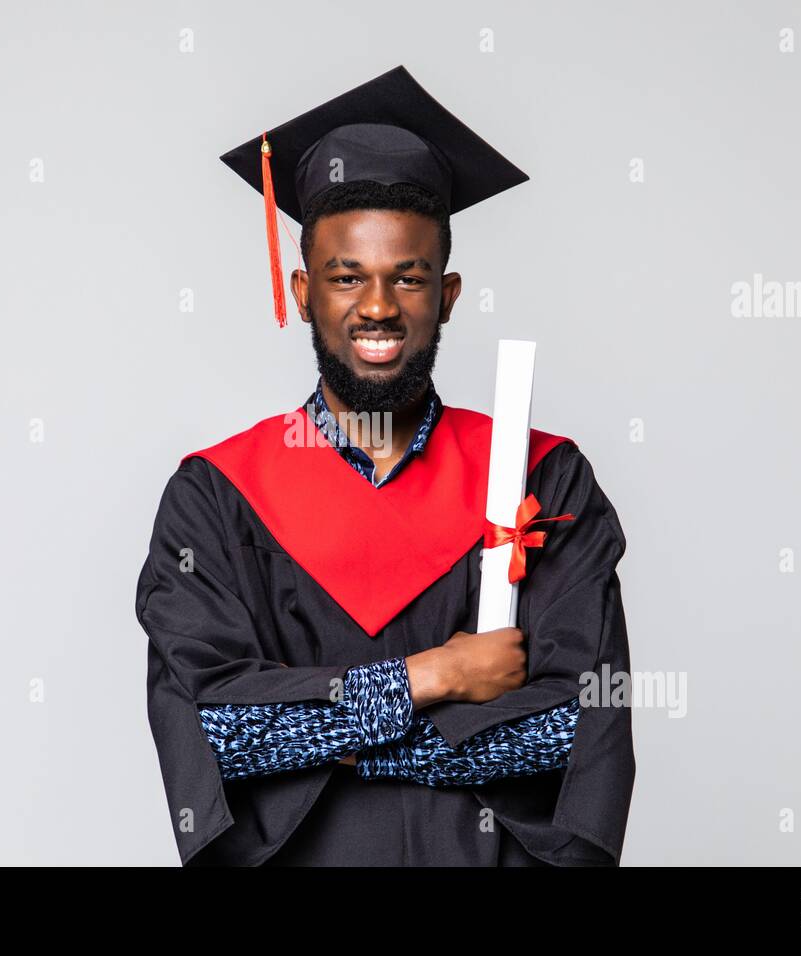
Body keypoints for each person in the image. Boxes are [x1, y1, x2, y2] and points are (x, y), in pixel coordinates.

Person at [136, 65, 634, 866]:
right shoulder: (216, 498)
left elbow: (574, 731)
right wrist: (430, 677)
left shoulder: (545, 476)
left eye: (408, 276)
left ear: (448, 293)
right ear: (304, 291)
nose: (377, 306)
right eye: (346, 278)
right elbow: (216, 735)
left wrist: (327, 734)